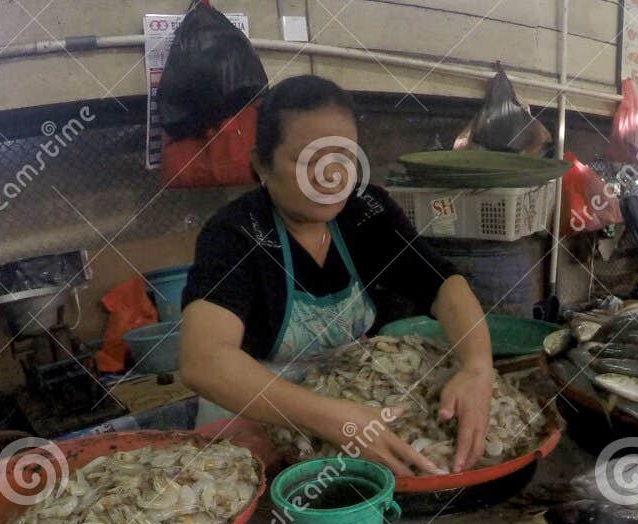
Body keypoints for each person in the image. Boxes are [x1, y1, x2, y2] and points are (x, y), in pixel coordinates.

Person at [178, 75, 494, 475]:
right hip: (251, 418)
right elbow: (203, 361)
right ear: (261, 164)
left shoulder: (365, 211)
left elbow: (445, 285)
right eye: (308, 160)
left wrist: (477, 369)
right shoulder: (238, 234)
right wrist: (331, 419)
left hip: (349, 402)